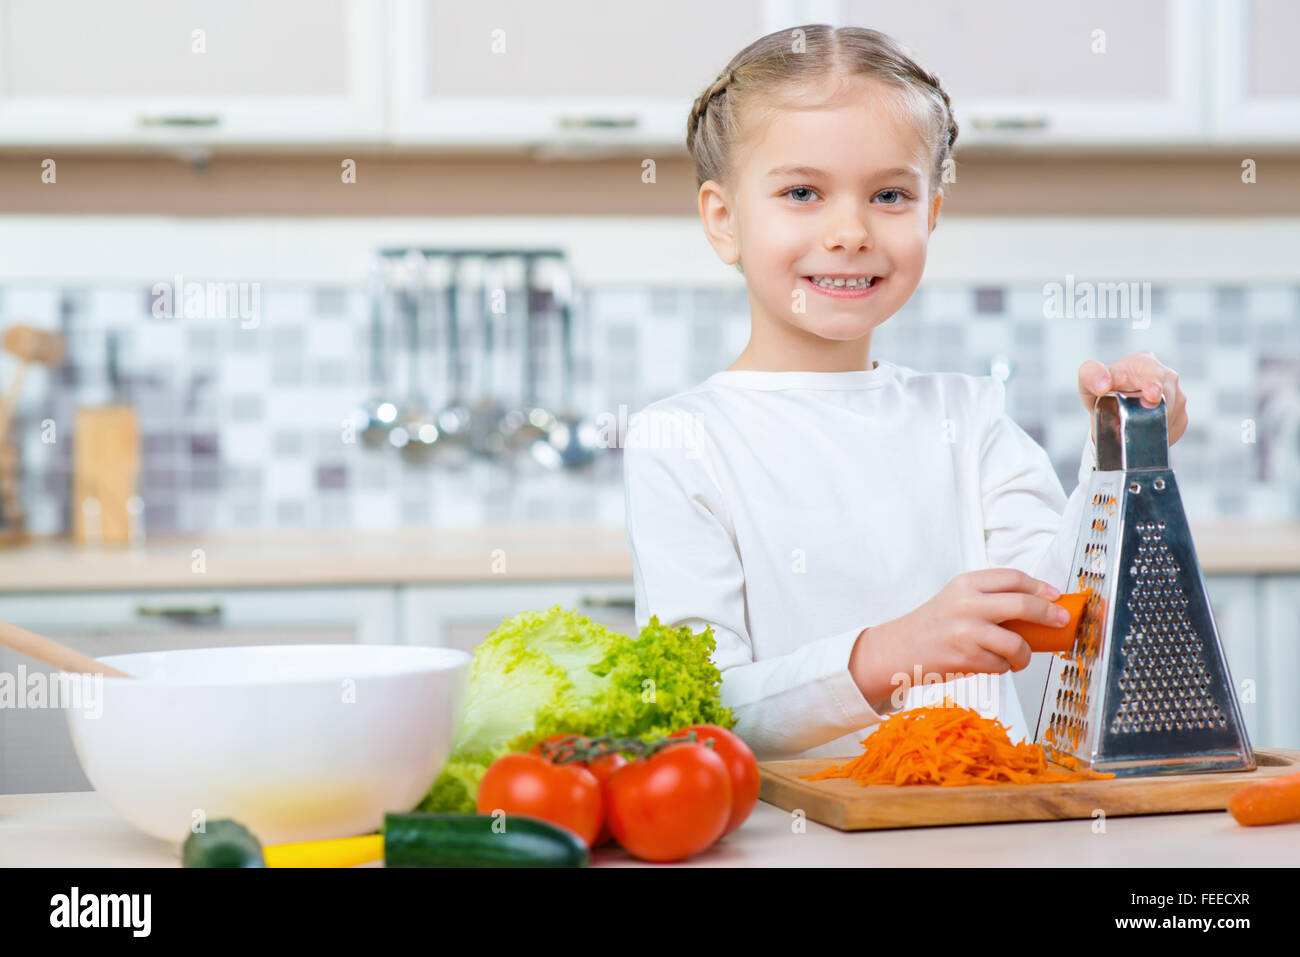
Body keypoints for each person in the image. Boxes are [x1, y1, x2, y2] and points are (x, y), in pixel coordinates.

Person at [621, 25, 1188, 761]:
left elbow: (1058, 610)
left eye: (890, 194)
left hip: (983, 822)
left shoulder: (968, 415)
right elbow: (705, 711)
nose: (851, 230)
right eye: (802, 192)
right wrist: (886, 653)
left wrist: (1122, 449)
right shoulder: (680, 443)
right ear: (724, 221)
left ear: (931, 214)